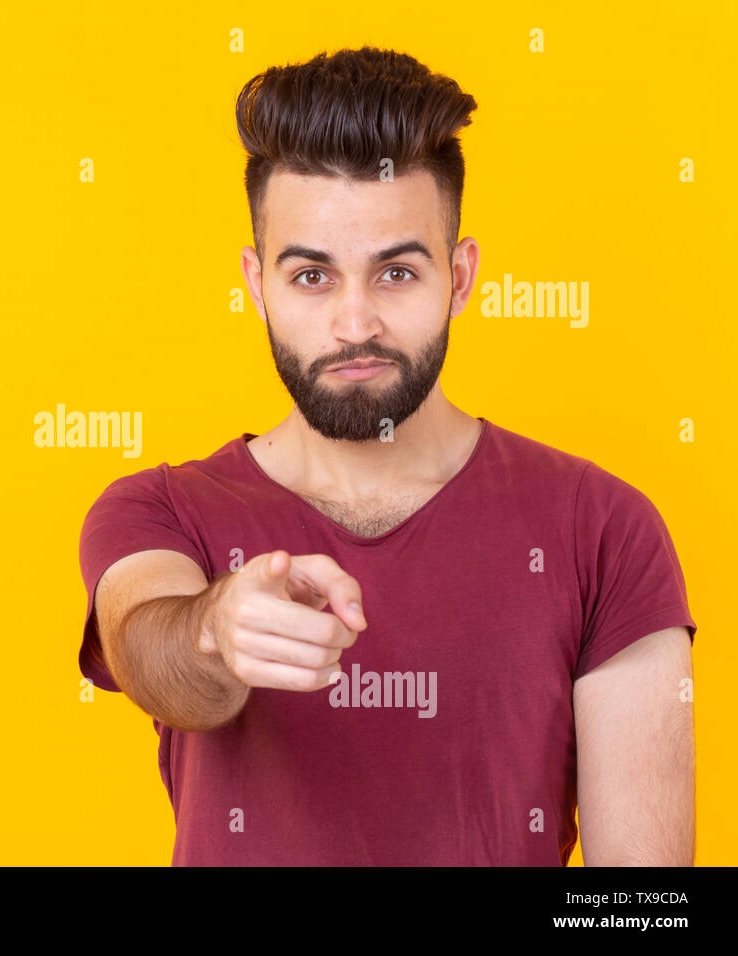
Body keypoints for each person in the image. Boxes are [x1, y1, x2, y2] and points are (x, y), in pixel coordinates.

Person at [77, 46, 697, 866]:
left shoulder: (606, 530)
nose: (355, 324)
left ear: (463, 276)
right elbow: (152, 651)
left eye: (397, 272)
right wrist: (215, 629)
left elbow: (641, 907)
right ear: (257, 284)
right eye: (311, 277)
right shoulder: (159, 511)